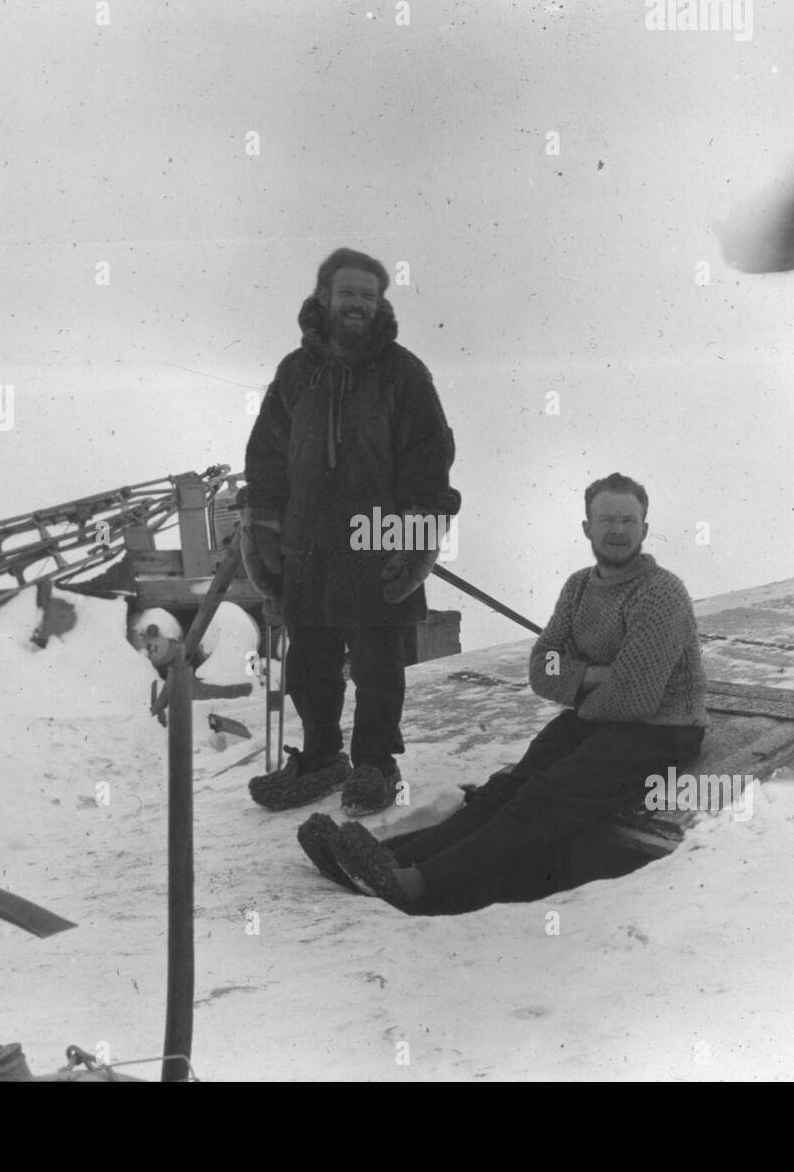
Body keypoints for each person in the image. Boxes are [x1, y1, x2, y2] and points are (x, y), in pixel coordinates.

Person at [298, 472, 707, 912]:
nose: (618, 529)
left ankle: (420, 883)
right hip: (597, 718)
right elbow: (542, 667)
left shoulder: (660, 593)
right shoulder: (579, 587)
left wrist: (583, 680)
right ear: (586, 528)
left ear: (645, 529)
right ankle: (390, 859)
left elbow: (635, 698)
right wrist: (594, 674)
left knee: (544, 795)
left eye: (629, 519)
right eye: (606, 518)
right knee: (505, 788)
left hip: (662, 727)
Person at [240, 248, 461, 815]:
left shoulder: (403, 372)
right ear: (324, 299)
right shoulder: (295, 373)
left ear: (379, 302)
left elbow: (429, 459)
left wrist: (419, 536)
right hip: (306, 546)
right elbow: (265, 457)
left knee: (377, 667)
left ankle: (373, 766)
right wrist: (262, 530)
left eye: (368, 295)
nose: (358, 304)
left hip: (378, 543)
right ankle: (320, 760)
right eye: (348, 293)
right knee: (308, 665)